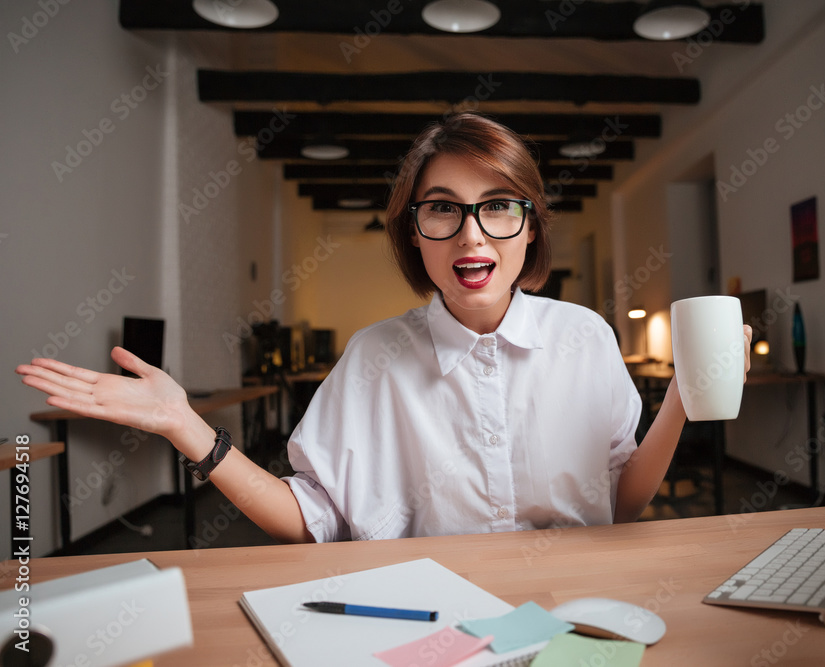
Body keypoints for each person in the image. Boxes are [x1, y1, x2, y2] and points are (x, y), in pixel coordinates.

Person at [17, 112, 751, 544]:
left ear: (531, 229)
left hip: (579, 605)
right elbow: (308, 517)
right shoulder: (375, 356)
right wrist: (188, 429)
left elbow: (620, 501)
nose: (472, 236)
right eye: (443, 208)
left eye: (498, 206)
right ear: (414, 232)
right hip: (434, 616)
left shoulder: (584, 336)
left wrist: (684, 397)